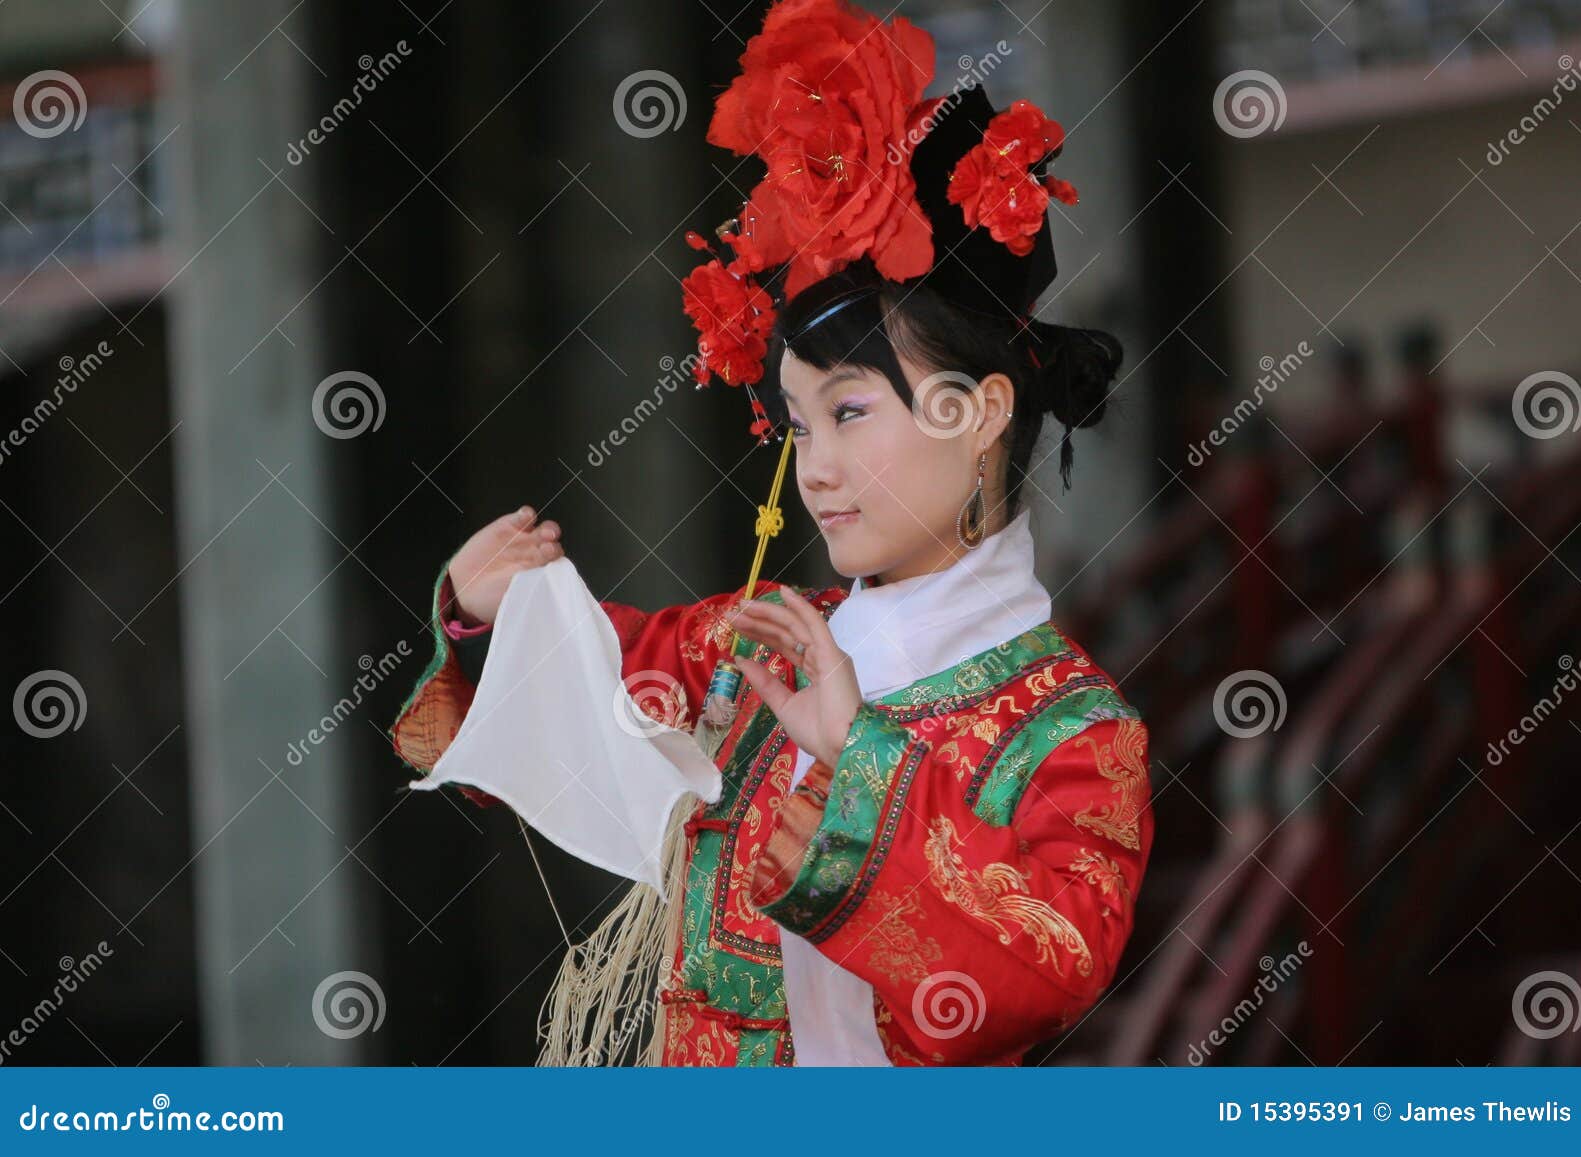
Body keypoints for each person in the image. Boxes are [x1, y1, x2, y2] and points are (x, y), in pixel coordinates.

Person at [390, 0, 1151, 1067]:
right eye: (798, 424)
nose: (817, 468)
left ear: (976, 412)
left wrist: (860, 752)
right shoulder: (758, 648)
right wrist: (490, 613)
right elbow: (596, 681)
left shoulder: (1073, 733)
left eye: (848, 413)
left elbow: (1045, 975)